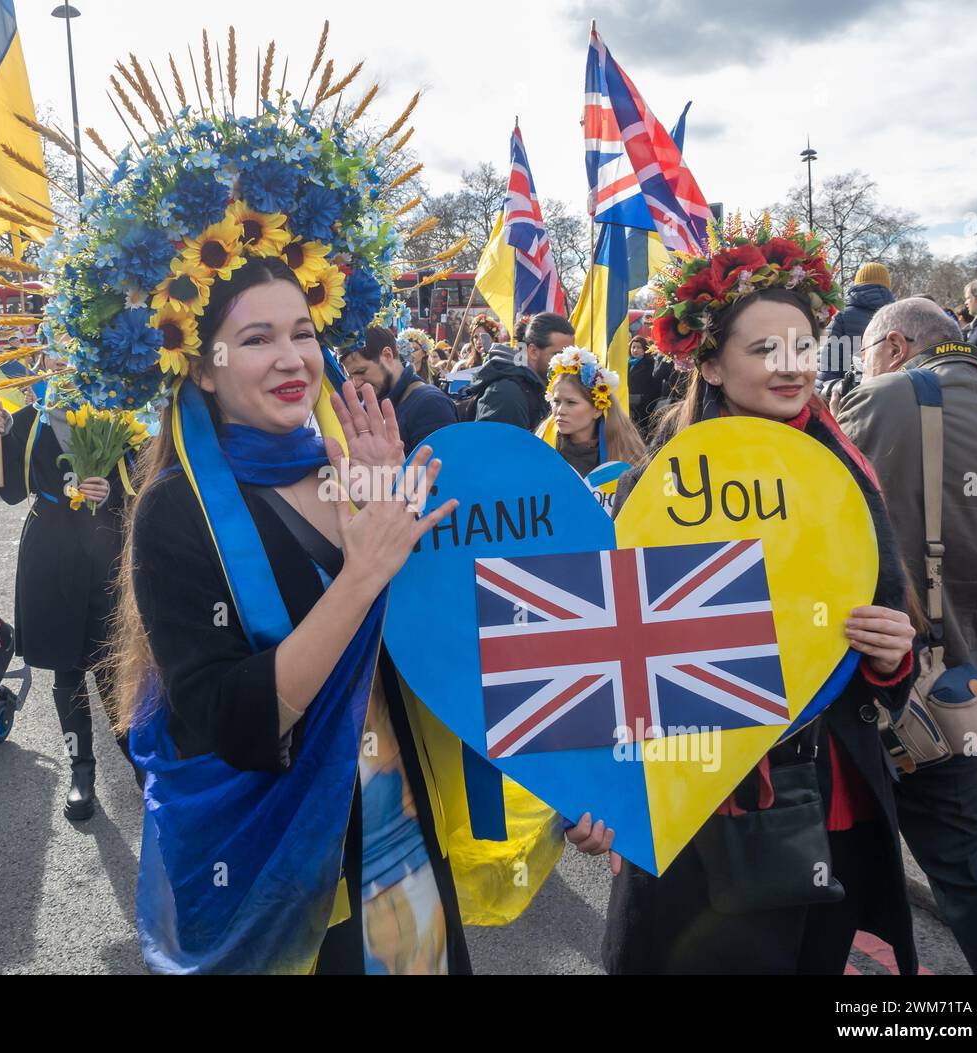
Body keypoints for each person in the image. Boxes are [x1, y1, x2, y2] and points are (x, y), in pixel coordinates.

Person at [32, 38, 606, 973]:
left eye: (303, 328)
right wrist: (368, 567)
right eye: (255, 337)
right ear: (201, 361)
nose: (293, 356)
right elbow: (232, 720)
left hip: (397, 830)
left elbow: (456, 646)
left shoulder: (353, 460)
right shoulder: (177, 512)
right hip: (278, 869)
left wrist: (572, 770)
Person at [600, 216, 919, 975]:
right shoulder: (661, 487)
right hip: (703, 811)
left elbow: (889, 658)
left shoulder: (846, 474)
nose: (792, 366)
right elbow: (621, 659)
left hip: (831, 807)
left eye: (804, 347)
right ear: (709, 364)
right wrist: (600, 790)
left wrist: (888, 654)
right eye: (764, 349)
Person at [838, 297, 977, 974]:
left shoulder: (881, 400)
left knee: (936, 851)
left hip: (908, 678)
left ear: (892, 347)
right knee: (955, 838)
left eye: (863, 356)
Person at [0, 358, 126, 822]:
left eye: (75, 354)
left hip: (107, 550)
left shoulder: (117, 415)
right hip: (51, 551)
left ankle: (143, 763)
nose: (65, 366)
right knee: (67, 669)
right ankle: (81, 769)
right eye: (54, 357)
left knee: (115, 665)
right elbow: (7, 492)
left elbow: (144, 481)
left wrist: (115, 494)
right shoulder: (26, 419)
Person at [338, 325, 457, 454]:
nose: (355, 384)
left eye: (361, 371)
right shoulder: (370, 402)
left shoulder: (431, 404)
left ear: (387, 355)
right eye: (350, 376)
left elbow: (443, 470)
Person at [537, 346, 645, 478]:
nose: (560, 411)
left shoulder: (625, 453)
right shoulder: (541, 444)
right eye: (556, 401)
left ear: (598, 409)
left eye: (571, 402)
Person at [463, 310, 574, 429]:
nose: (567, 362)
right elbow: (505, 446)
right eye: (559, 354)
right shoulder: (506, 395)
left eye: (570, 354)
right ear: (533, 352)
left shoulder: (536, 385)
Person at [820, 260, 895, 382]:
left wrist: (828, 394)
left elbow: (829, 364)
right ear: (887, 285)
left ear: (857, 284)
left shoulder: (842, 316)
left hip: (848, 392)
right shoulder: (899, 317)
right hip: (888, 391)